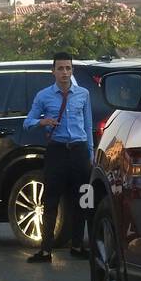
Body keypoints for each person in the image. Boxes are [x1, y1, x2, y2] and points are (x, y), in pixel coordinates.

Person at [23, 52, 93, 263]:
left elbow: (88, 125)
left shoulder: (83, 94)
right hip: (57, 151)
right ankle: (46, 249)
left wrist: (90, 153)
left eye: (68, 68)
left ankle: (78, 245)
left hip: (79, 150)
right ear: (53, 71)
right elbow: (27, 122)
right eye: (60, 68)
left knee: (82, 199)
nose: (65, 73)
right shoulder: (43, 96)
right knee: (51, 200)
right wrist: (42, 122)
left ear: (72, 71)